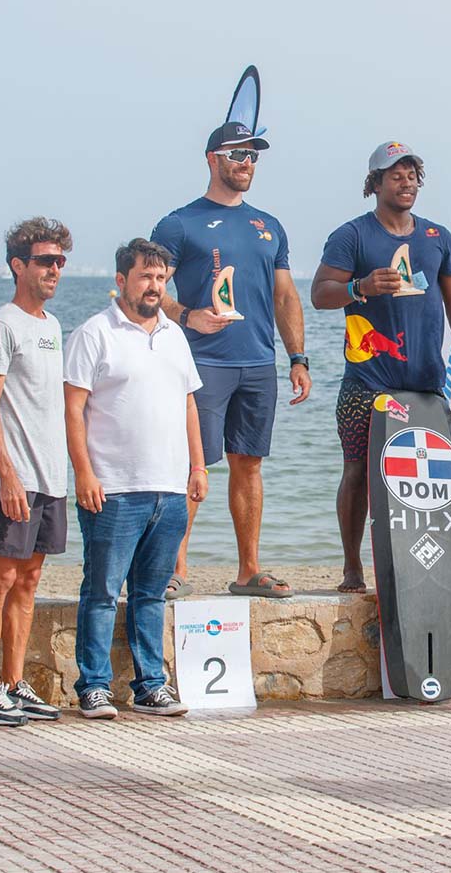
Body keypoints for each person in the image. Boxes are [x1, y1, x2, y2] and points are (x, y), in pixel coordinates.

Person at [311, 141, 451, 592]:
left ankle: (417, 566)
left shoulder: (435, 237)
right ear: (376, 183)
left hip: (424, 381)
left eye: (412, 175)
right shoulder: (352, 235)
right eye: (395, 175)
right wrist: (360, 286)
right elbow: (320, 293)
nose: (405, 182)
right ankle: (352, 566)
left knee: (423, 479)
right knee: (358, 470)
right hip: (367, 379)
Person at [151, 121, 310, 600]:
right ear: (212, 159)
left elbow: (285, 296)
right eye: (237, 154)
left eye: (253, 156)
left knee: (249, 465)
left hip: (259, 362)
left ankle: (248, 571)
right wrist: (188, 315)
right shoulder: (179, 223)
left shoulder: (270, 225)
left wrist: (297, 357)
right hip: (202, 363)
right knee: (190, 466)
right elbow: (153, 289)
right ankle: (172, 568)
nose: (246, 164)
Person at [64, 238, 208, 719]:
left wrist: (198, 466)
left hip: (168, 490)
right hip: (113, 489)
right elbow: (73, 409)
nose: (154, 286)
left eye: (161, 278)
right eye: (145, 276)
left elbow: (189, 402)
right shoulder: (94, 334)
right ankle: (95, 685)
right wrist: (83, 472)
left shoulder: (174, 335)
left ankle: (151, 685)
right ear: (121, 280)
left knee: (151, 592)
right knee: (102, 590)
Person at [0, 217, 73, 726]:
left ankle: (14, 681)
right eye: (45, 261)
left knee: (29, 579)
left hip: (50, 476)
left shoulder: (51, 327)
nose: (55, 269)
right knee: (1, 575)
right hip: (9, 477)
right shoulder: (1, 325)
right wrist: (7, 474)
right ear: (18, 265)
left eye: (60, 261)